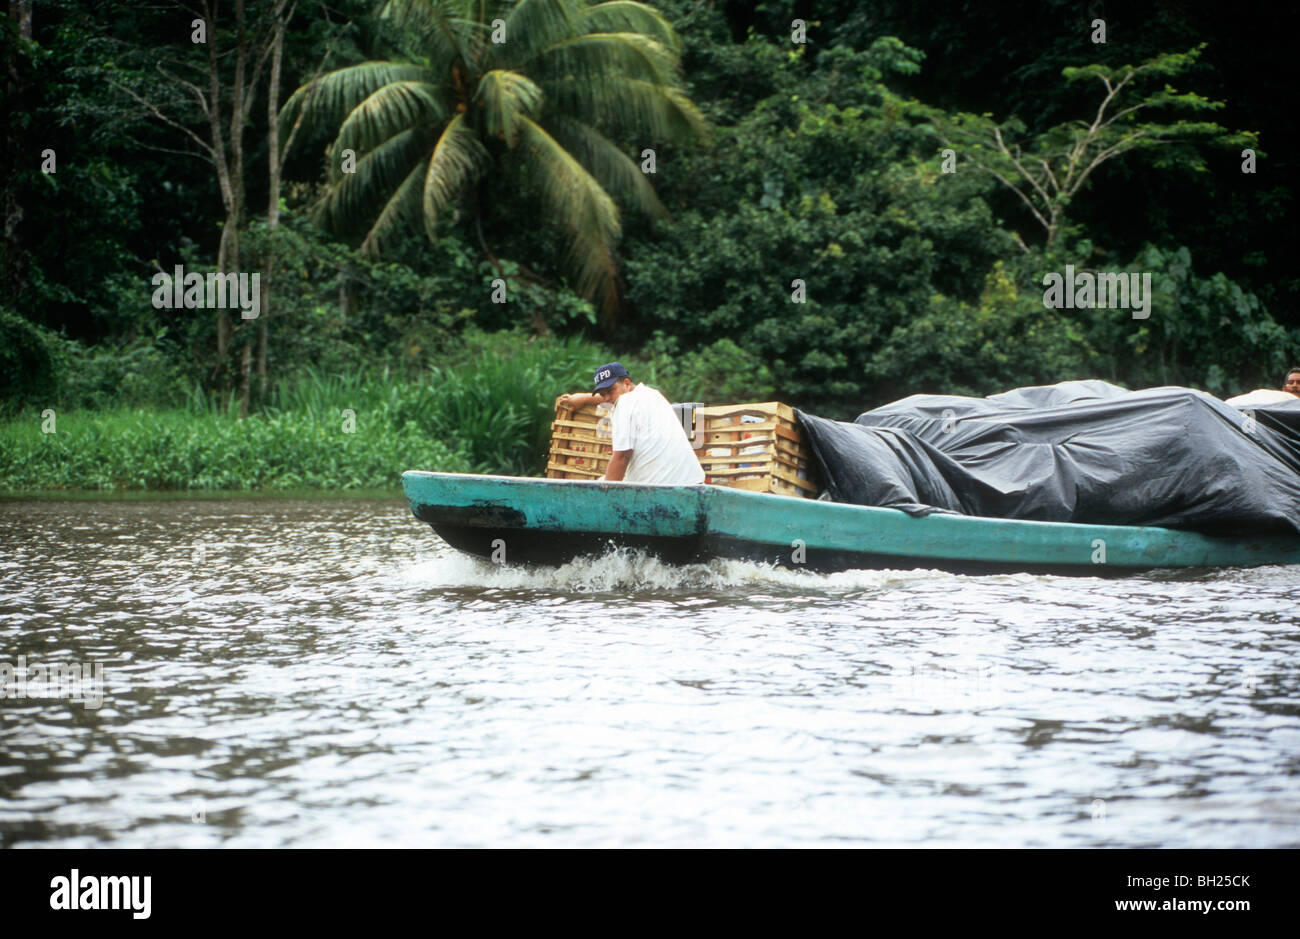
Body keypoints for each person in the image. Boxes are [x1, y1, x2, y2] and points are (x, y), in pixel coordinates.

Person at [556, 362, 705, 485]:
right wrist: (585, 398)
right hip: (695, 483)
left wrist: (604, 498)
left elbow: (622, 456)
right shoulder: (651, 394)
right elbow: (613, 398)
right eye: (602, 394)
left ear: (626, 383)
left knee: (602, 486)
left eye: (610, 390)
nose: (606, 398)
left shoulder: (625, 403)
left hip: (663, 491)